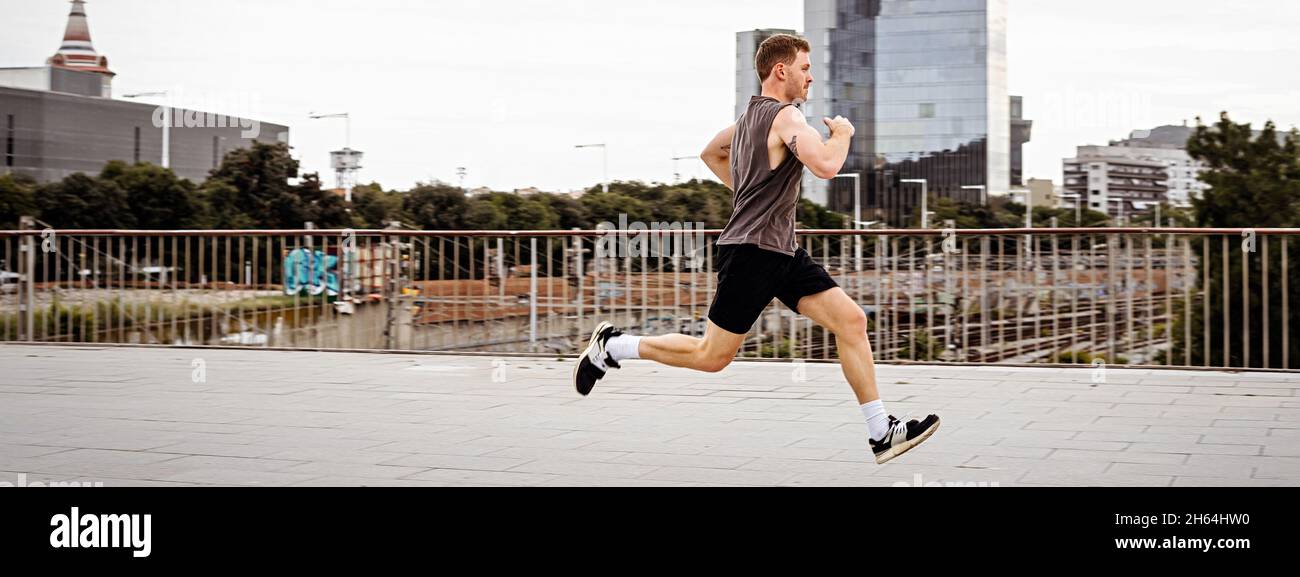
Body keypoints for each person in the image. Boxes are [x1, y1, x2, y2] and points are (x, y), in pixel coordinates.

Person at [572, 34, 939, 464]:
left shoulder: (747, 120)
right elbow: (825, 165)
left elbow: (710, 152)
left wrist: (748, 194)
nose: (811, 76)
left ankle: (881, 432)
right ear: (780, 70)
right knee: (712, 357)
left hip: (782, 251)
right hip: (751, 253)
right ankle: (612, 345)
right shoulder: (786, 117)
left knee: (852, 322)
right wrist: (842, 133)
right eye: (805, 67)